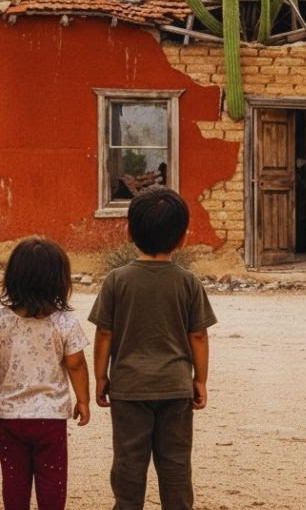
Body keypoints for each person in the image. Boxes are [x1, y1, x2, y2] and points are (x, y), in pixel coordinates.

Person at [88, 188, 217, 510]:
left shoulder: (116, 280)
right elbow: (198, 335)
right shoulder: (188, 282)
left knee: (129, 461)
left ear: (130, 232)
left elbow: (104, 332)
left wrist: (101, 377)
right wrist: (199, 380)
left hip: (129, 388)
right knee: (175, 462)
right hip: (175, 388)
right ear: (182, 238)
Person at [0, 237, 91, 510]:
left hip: (11, 417)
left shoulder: (0, 320)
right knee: (52, 479)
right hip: (51, 418)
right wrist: (83, 400)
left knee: (14, 479)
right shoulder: (65, 322)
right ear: (59, 281)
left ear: (14, 279)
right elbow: (76, 364)